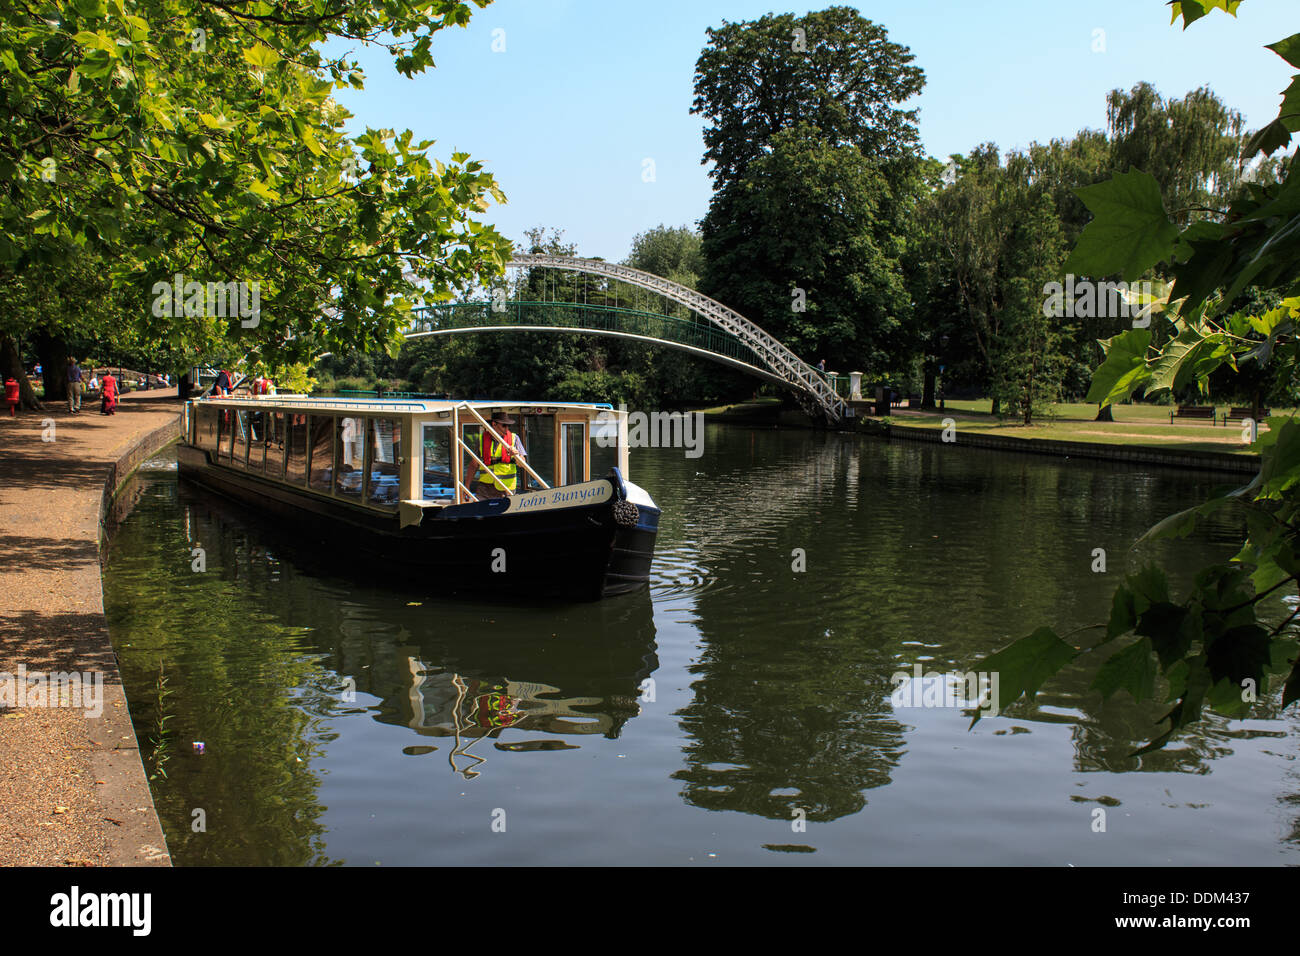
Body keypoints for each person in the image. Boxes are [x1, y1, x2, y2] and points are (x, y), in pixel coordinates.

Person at [473, 412, 526, 499]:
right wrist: (466, 486)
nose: (507, 428)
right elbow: (474, 464)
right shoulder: (482, 439)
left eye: (508, 426)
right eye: (504, 425)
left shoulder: (514, 438)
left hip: (506, 488)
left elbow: (522, 464)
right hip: (485, 488)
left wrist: (517, 455)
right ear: (494, 424)